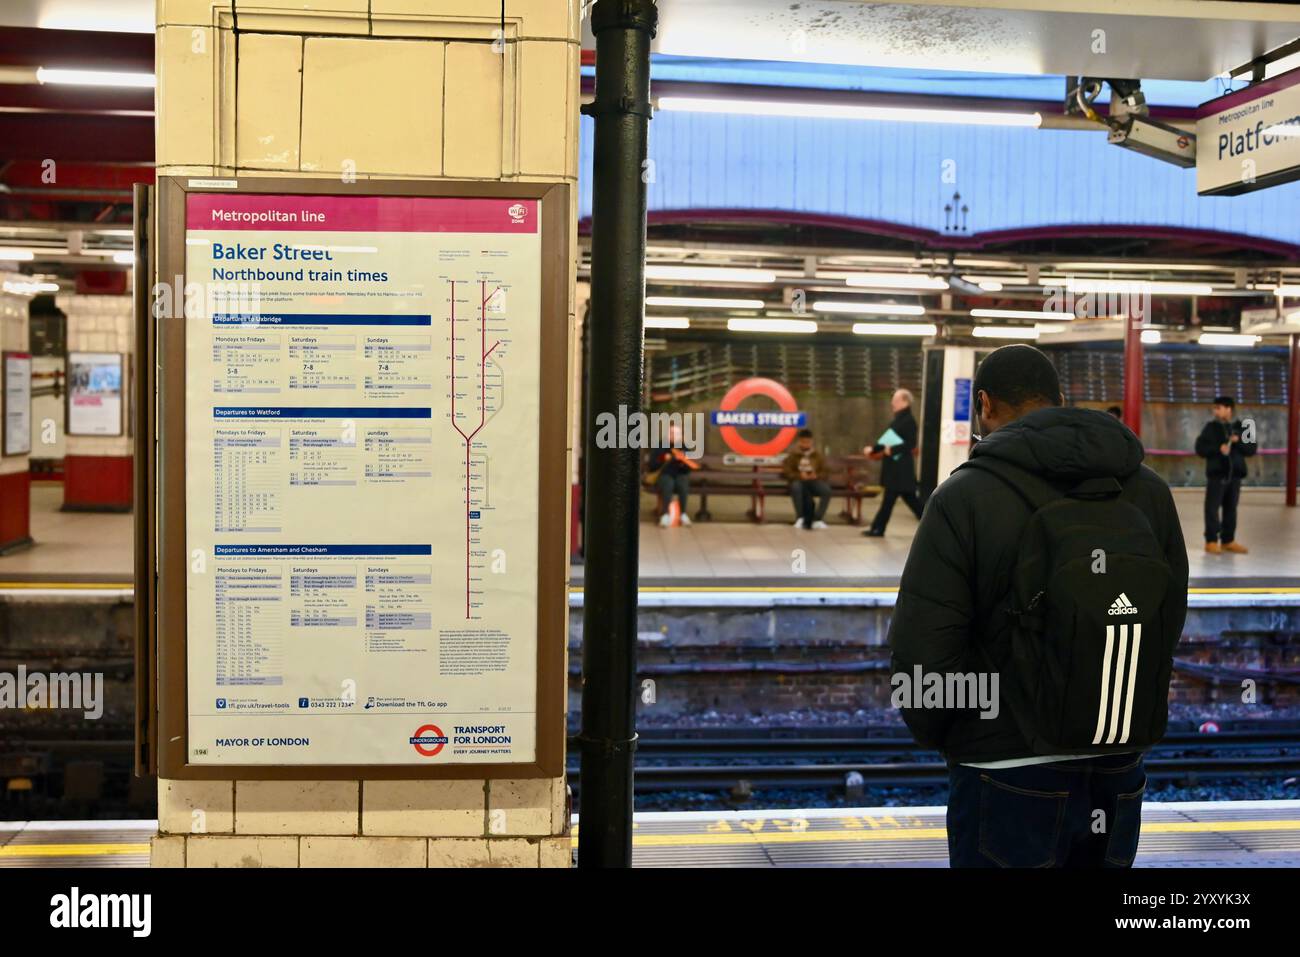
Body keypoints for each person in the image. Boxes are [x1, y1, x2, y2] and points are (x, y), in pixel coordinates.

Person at [889, 344, 1188, 868]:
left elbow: (924, 651)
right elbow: (1168, 621)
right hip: (1117, 766)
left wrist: (960, 736)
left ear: (984, 404)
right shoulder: (1148, 492)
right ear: (1060, 400)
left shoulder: (964, 497)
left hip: (1004, 770)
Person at [1194, 395, 1256, 555]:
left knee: (1231, 509)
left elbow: (1251, 449)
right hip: (1217, 476)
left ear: (1229, 409)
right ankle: (1211, 541)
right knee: (1212, 509)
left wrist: (1238, 441)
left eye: (1218, 408)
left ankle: (1228, 540)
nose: (1215, 411)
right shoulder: (1210, 427)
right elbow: (1200, 448)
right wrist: (1218, 449)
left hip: (1235, 476)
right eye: (1214, 408)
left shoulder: (1243, 427)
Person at [862, 388, 922, 537]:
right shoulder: (900, 419)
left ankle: (878, 529)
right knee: (894, 500)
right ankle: (878, 528)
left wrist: (891, 450)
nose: (892, 403)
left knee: (907, 501)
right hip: (896, 470)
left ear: (905, 402)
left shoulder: (908, 421)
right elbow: (887, 439)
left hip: (901, 470)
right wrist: (874, 450)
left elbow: (910, 444)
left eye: (895, 400)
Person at [648, 422, 698, 527]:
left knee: (683, 484)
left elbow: (689, 467)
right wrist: (663, 459)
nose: (673, 436)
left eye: (676, 434)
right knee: (668, 485)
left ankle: (683, 514)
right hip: (664, 474)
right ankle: (665, 515)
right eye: (671, 433)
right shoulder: (660, 446)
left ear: (681, 436)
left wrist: (682, 463)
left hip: (680, 474)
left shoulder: (684, 447)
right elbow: (652, 464)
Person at [782, 428, 831, 529]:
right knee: (796, 487)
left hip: (814, 480)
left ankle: (818, 519)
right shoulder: (793, 455)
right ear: (799, 442)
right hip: (798, 481)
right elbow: (787, 471)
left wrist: (817, 475)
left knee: (826, 490)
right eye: (803, 442)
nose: (806, 444)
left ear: (811, 442)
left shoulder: (817, 455)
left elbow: (825, 470)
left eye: (808, 442)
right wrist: (799, 475)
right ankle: (800, 517)